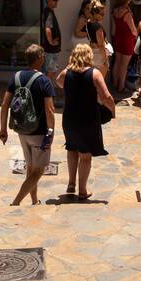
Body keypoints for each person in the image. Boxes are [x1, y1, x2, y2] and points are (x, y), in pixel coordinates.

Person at [0, 44, 56, 206]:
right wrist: (50, 132)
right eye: (43, 56)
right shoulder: (44, 81)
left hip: (22, 130)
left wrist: (3, 129)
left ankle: (34, 200)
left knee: (31, 168)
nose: (44, 58)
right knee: (38, 171)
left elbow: (4, 104)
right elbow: (50, 110)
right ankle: (16, 202)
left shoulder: (16, 77)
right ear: (39, 58)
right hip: (39, 132)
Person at [56, 44, 115, 200]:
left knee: (71, 148)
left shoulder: (66, 73)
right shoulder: (94, 74)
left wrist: (69, 68)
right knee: (85, 155)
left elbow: (59, 82)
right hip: (88, 118)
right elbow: (106, 97)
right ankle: (82, 190)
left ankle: (71, 183)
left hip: (69, 118)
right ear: (89, 56)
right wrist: (113, 110)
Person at [111, 0, 137, 96]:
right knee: (124, 65)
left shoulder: (115, 11)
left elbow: (113, 30)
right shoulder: (127, 13)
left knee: (117, 62)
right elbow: (133, 30)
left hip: (118, 38)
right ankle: (121, 86)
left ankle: (114, 84)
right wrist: (137, 34)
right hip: (127, 40)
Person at [40, 0, 63, 86]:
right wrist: (51, 42)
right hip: (50, 49)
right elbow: (48, 28)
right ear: (48, 0)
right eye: (54, 0)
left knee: (51, 71)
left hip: (51, 49)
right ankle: (47, 92)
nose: (57, 1)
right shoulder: (48, 12)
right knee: (50, 72)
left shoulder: (48, 12)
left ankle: (47, 91)